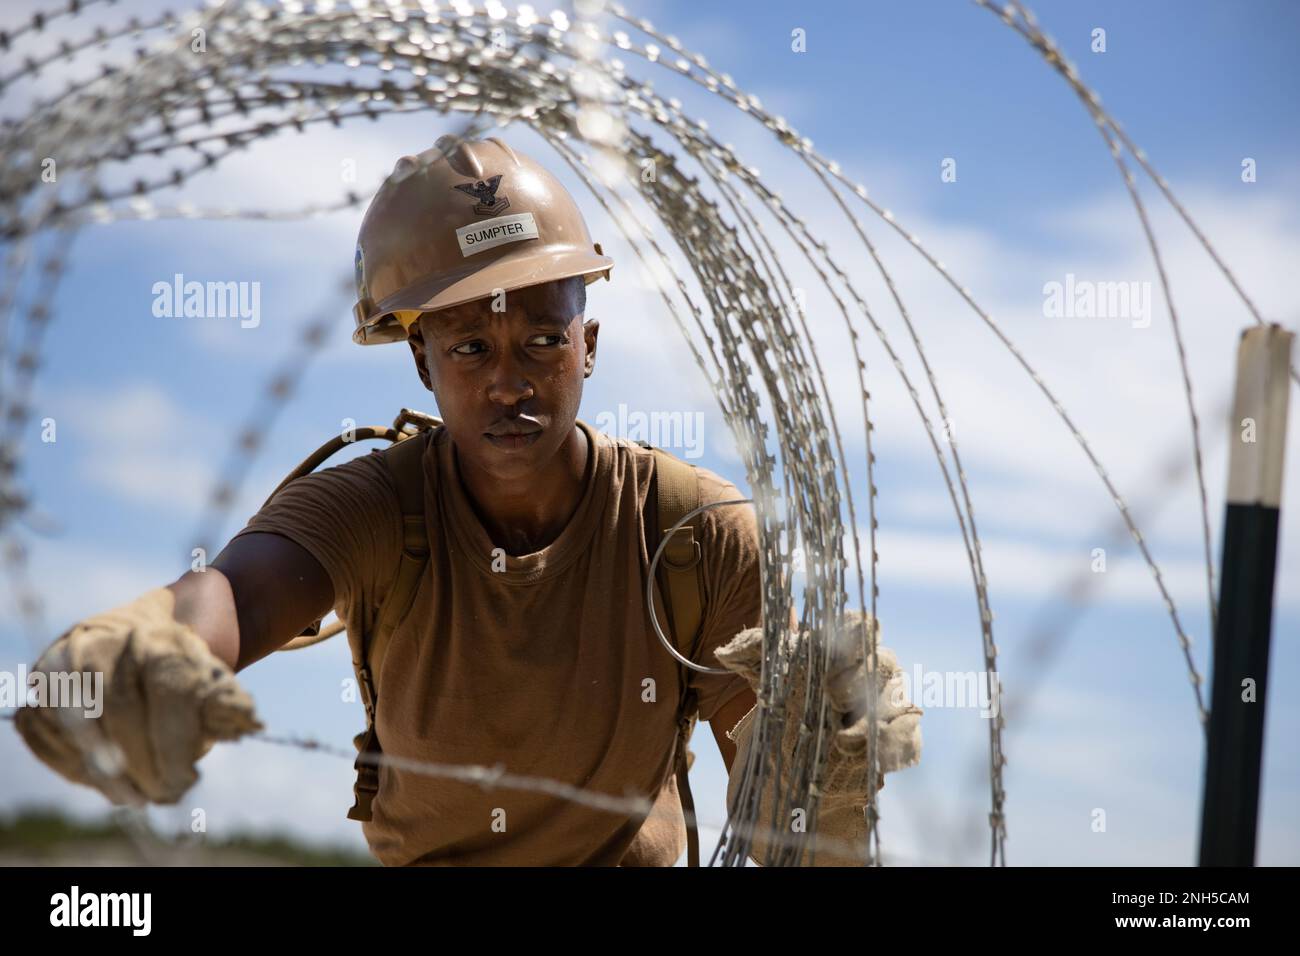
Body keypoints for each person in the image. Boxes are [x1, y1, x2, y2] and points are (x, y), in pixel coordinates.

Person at [16, 136, 921, 866]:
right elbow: (242, 595)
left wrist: (825, 790)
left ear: (589, 345)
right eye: (469, 350)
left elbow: (781, 813)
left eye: (540, 341)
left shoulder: (691, 530)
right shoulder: (377, 509)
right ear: (420, 362)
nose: (508, 386)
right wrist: (147, 646)